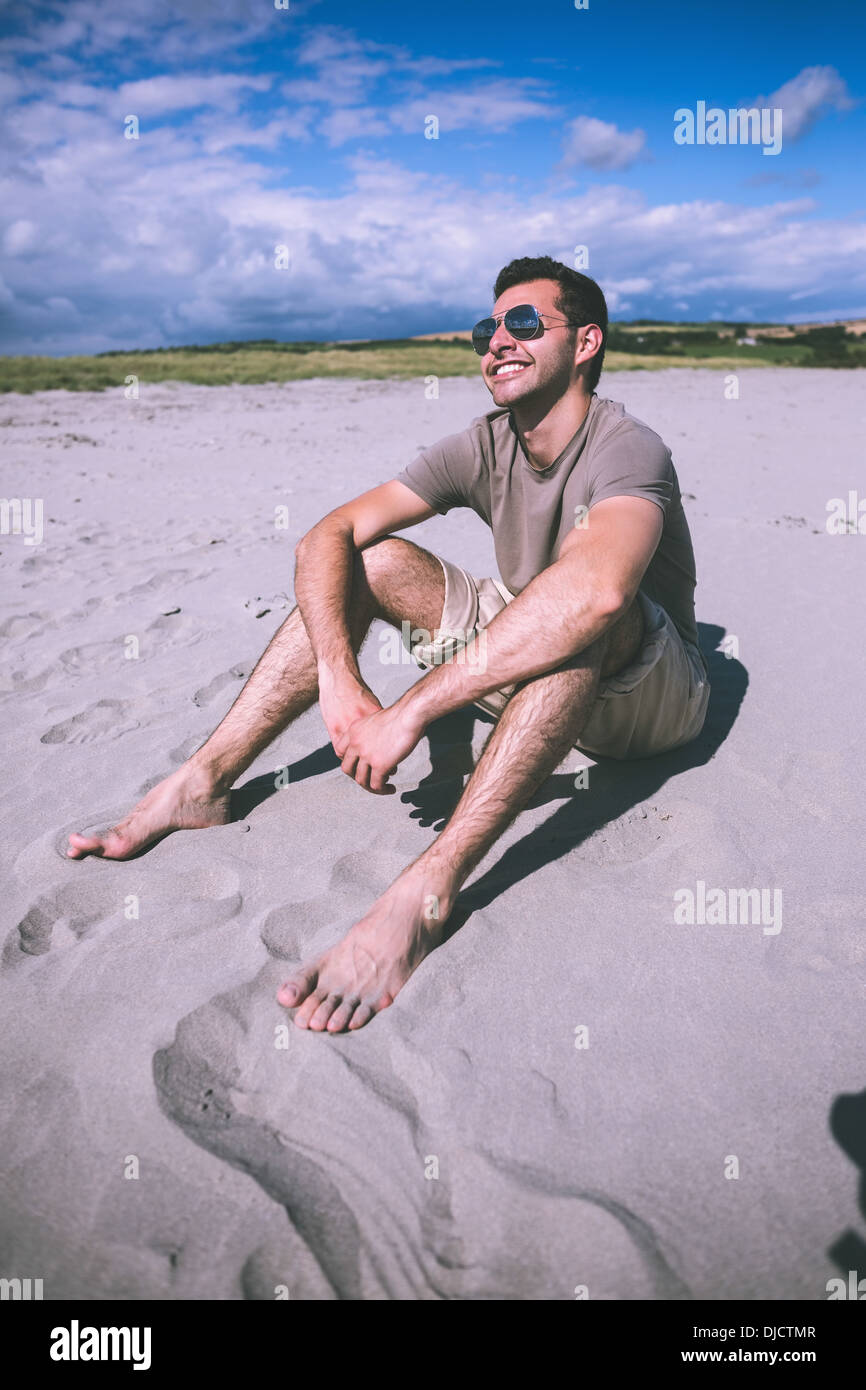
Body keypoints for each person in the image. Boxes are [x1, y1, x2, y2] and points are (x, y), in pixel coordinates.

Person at [68, 255, 709, 1034]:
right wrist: (338, 674)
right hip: (540, 653)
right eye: (486, 329)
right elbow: (328, 535)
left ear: (585, 343)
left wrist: (410, 713)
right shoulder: (484, 443)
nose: (497, 341)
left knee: (580, 621)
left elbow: (598, 593)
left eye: (524, 323)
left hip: (654, 697)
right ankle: (202, 783)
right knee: (370, 563)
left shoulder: (627, 446)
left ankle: (426, 892)